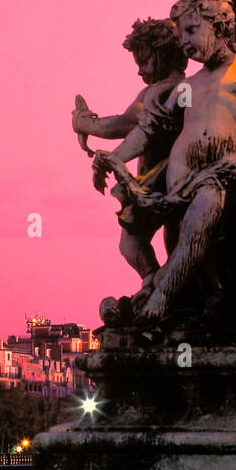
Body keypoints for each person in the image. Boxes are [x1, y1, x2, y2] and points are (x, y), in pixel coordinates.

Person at [93, 0, 236, 320]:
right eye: (180, 33)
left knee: (192, 238)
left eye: (191, 30)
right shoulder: (189, 86)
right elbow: (149, 129)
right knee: (150, 240)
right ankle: (201, 298)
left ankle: (157, 306)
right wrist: (116, 157)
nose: (183, 40)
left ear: (221, 24)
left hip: (219, 178)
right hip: (176, 184)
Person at [72, 18, 187, 290]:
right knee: (177, 237)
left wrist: (84, 123)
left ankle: (153, 282)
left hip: (158, 182)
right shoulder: (190, 89)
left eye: (144, 61)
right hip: (178, 179)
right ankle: (174, 285)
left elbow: (121, 125)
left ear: (162, 55)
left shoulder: (157, 93)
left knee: (131, 240)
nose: (140, 71)